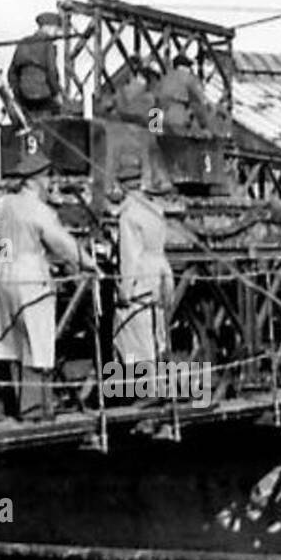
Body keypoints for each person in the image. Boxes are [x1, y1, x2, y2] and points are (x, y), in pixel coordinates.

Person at [0, 151, 95, 421]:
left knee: (12, 343)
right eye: (47, 179)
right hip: (32, 278)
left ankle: (21, 404)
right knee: (38, 342)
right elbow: (62, 243)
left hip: (4, 274)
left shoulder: (4, 204)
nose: (50, 185)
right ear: (36, 181)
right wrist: (90, 263)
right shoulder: (40, 210)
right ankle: (35, 410)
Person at [112, 154, 174, 387]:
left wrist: (124, 291)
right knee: (157, 335)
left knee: (133, 337)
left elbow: (129, 257)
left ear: (120, 185)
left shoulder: (128, 216)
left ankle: (143, 391)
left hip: (139, 282)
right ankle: (161, 385)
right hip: (159, 275)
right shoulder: (154, 210)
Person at [9, 12, 63, 121]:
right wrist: (57, 94)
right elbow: (51, 73)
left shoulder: (23, 42)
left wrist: (18, 95)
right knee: (61, 114)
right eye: (56, 29)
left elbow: (12, 73)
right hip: (43, 96)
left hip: (24, 97)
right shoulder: (48, 45)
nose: (57, 33)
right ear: (49, 28)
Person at [155, 55, 210, 134]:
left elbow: (157, 97)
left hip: (160, 113)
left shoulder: (165, 76)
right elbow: (199, 97)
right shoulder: (188, 77)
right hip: (177, 113)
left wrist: (154, 125)